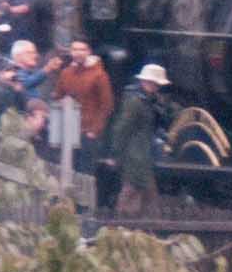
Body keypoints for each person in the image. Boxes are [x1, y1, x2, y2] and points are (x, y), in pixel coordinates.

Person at [103, 61, 173, 211]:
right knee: (134, 188)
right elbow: (122, 128)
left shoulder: (148, 101)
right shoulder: (135, 102)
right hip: (134, 154)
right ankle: (125, 223)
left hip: (142, 153)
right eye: (153, 83)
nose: (155, 87)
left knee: (140, 190)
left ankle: (137, 224)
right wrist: (114, 153)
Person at [48, 38, 114, 184]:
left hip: (88, 132)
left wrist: (94, 130)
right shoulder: (66, 73)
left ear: (88, 52)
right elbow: (58, 96)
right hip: (68, 130)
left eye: (82, 49)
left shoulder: (99, 75)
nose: (78, 53)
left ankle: (85, 205)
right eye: (75, 49)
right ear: (71, 52)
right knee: (68, 169)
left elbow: (106, 105)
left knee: (86, 172)